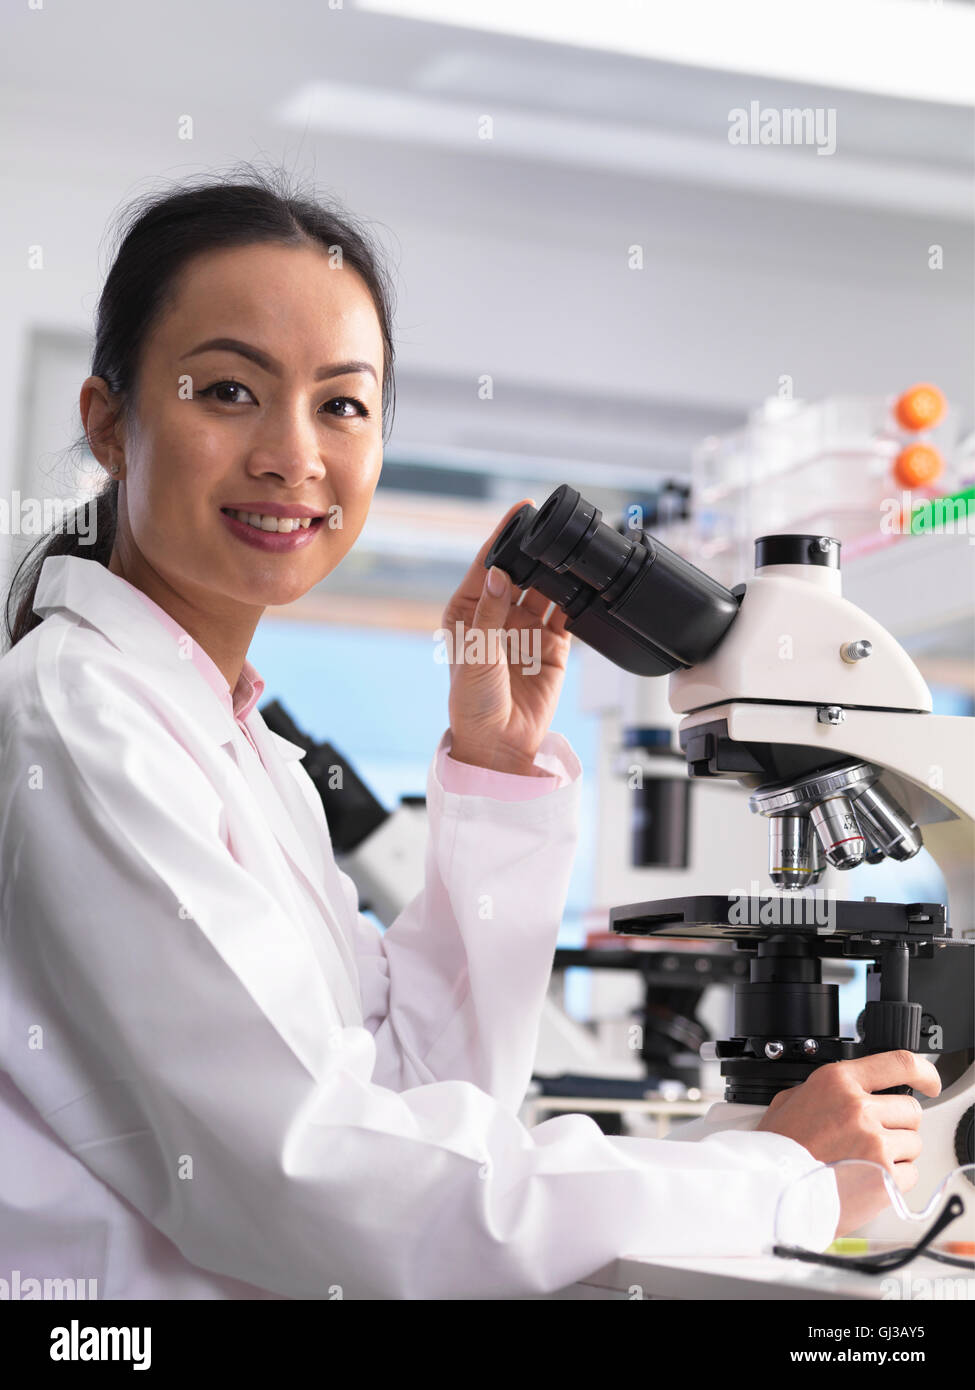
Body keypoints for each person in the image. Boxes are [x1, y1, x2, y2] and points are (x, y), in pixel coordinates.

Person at [0, 168, 940, 1301]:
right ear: (110, 422)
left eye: (341, 403)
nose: (293, 455)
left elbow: (412, 1094)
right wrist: (769, 1175)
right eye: (229, 390)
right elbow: (325, 1184)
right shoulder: (83, 719)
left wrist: (494, 773)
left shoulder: (236, 741)